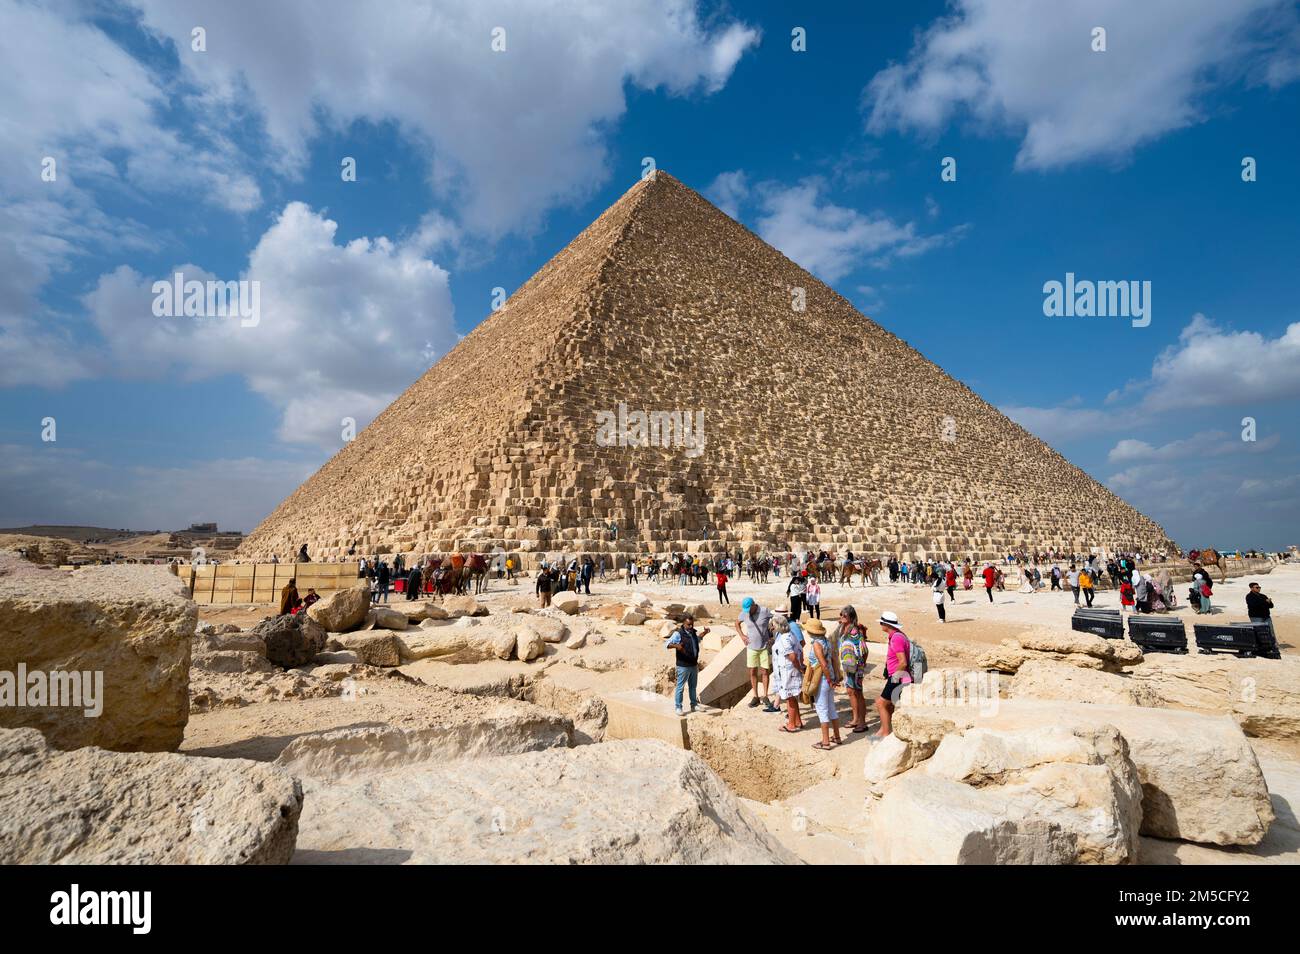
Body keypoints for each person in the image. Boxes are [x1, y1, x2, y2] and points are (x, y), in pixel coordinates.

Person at [874, 611, 913, 738]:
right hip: (899, 676)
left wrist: (894, 679)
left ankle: (886, 733)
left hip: (899, 677)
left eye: (881, 623)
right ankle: (884, 729)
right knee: (888, 704)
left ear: (886, 624)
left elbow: (902, 662)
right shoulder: (897, 636)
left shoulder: (896, 638)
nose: (880, 625)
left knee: (880, 703)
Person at [807, 617, 842, 751]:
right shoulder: (826, 641)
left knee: (822, 710)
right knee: (831, 707)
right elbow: (833, 659)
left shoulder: (817, 644)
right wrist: (835, 678)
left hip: (822, 679)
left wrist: (829, 680)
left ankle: (825, 741)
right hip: (830, 677)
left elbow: (823, 664)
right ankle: (837, 737)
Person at [665, 614, 709, 715]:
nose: (690, 627)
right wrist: (677, 646)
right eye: (688, 625)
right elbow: (666, 644)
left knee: (693, 687)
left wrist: (705, 633)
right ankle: (678, 707)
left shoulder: (692, 632)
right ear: (683, 624)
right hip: (683, 666)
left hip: (693, 665)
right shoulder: (678, 634)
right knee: (680, 687)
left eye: (692, 625)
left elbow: (697, 639)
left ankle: (694, 705)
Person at [735, 597, 774, 710]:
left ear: (753, 605)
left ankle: (765, 696)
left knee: (765, 671)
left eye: (749, 609)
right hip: (751, 647)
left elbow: (776, 620)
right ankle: (755, 696)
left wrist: (772, 634)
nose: (747, 611)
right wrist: (742, 636)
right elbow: (736, 623)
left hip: (764, 647)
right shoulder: (744, 613)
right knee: (752, 671)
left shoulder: (764, 611)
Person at [835, 608, 869, 733]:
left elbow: (864, 650)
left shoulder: (855, 631)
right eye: (841, 614)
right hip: (848, 666)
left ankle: (862, 722)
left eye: (844, 615)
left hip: (856, 667)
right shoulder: (842, 629)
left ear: (851, 617)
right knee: (850, 691)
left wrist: (862, 664)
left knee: (858, 693)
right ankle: (855, 719)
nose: (842, 616)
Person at [771, 614, 805, 732]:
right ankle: (798, 721)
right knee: (792, 697)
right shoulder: (791, 635)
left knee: (789, 697)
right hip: (790, 671)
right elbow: (800, 651)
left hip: (788, 672)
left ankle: (791, 725)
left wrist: (799, 667)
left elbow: (792, 656)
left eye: (773, 625)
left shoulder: (784, 639)